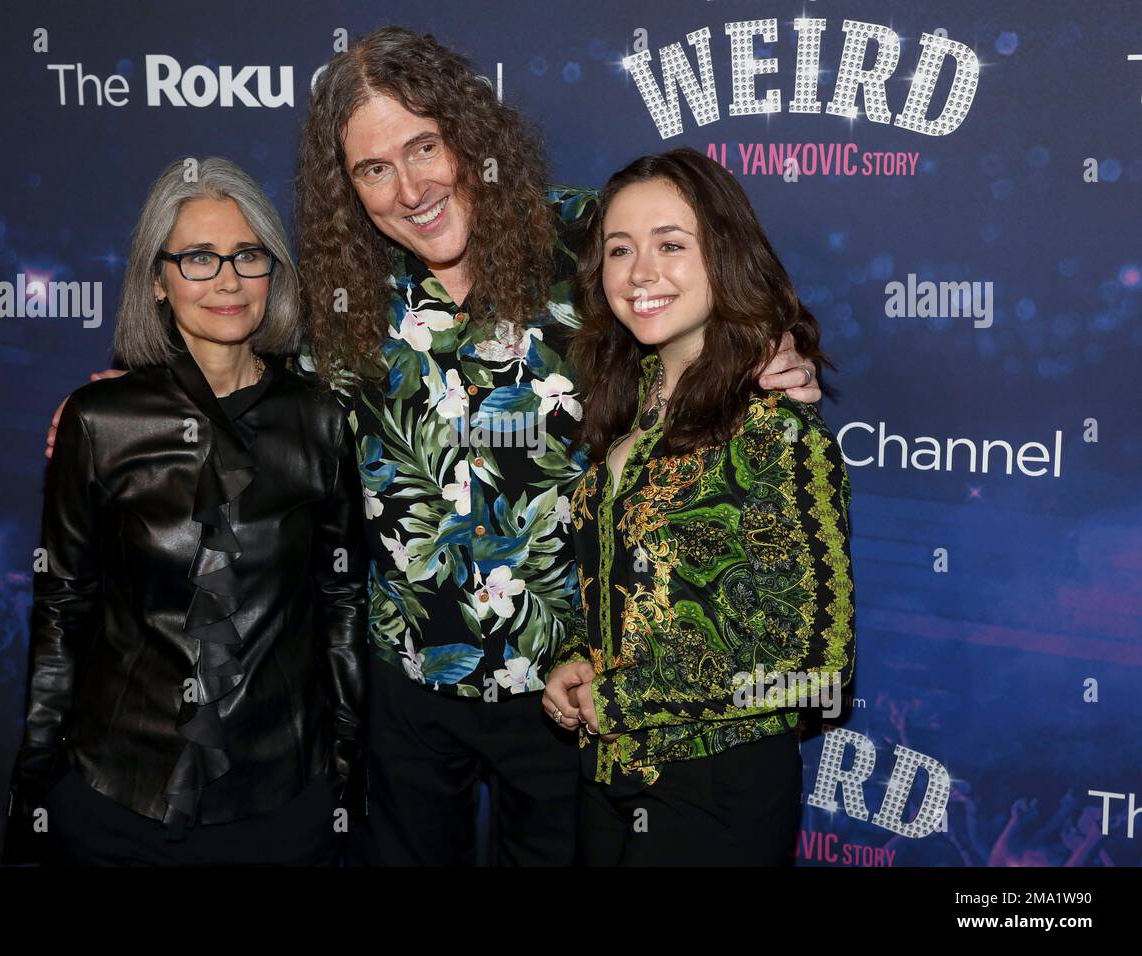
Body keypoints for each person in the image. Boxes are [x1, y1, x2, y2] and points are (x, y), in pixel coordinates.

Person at [47, 26, 823, 867]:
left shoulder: (589, 243)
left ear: (470, 136)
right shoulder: (337, 294)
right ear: (347, 188)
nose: (409, 187)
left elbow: (695, 292)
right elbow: (234, 355)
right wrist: (134, 399)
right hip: (406, 688)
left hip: (568, 686)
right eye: (373, 169)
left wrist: (766, 356)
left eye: (424, 147)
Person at [9, 157, 367, 865]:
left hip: (282, 798)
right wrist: (38, 775)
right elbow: (62, 607)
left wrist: (347, 773)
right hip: (121, 794)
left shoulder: (319, 422)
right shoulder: (99, 421)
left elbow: (343, 604)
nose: (228, 280)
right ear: (157, 281)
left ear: (275, 273)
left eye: (248, 256)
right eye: (199, 258)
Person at [543, 148, 855, 866]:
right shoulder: (628, 405)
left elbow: (812, 662)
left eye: (671, 245)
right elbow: (625, 591)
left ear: (725, 255)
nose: (640, 272)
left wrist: (623, 700)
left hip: (717, 788)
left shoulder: (775, 426)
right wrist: (576, 662)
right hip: (606, 775)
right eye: (619, 250)